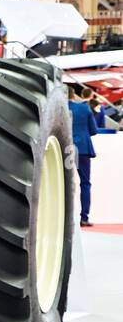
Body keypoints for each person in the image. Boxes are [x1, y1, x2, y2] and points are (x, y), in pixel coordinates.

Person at [69, 84, 98, 227]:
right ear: (73, 95)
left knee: (65, 183)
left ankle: (65, 218)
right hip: (83, 150)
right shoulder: (84, 108)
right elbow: (93, 130)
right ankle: (84, 218)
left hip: (67, 149)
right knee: (85, 183)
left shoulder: (59, 109)